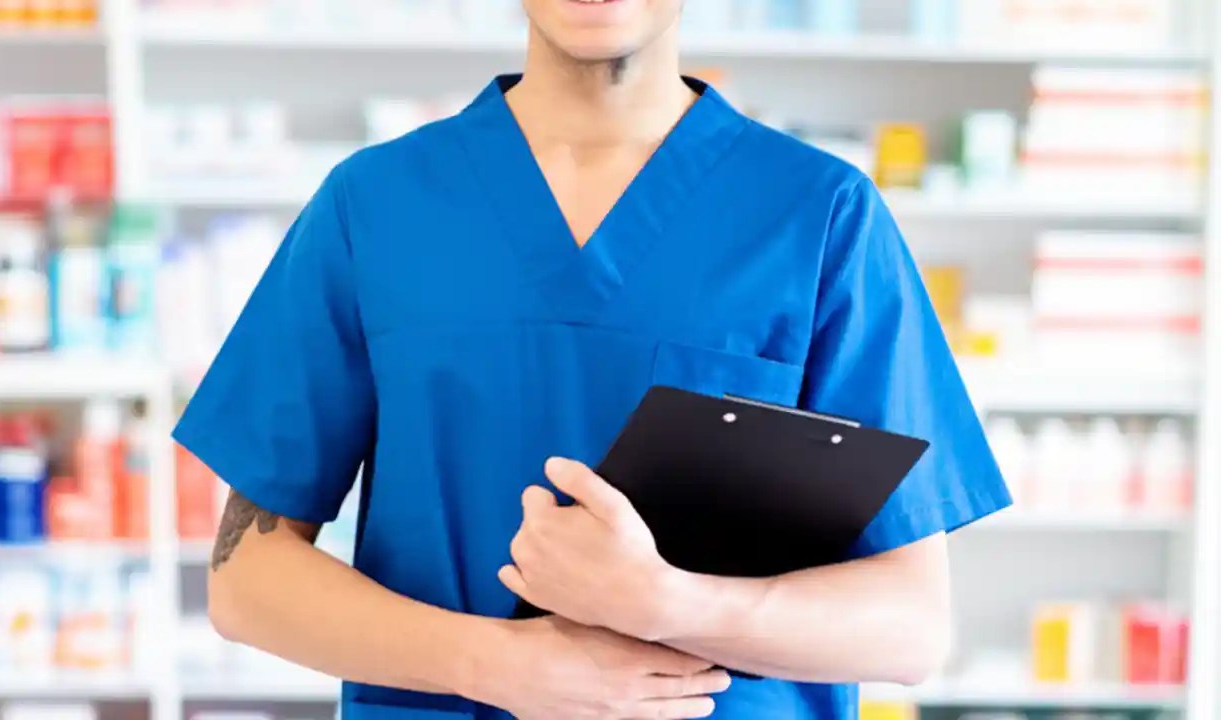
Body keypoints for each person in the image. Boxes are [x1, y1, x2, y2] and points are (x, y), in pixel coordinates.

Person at [173, 1, 1012, 718]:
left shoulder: (819, 216)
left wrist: (667, 604)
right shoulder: (376, 204)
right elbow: (247, 578)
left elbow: (909, 626)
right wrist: (502, 664)